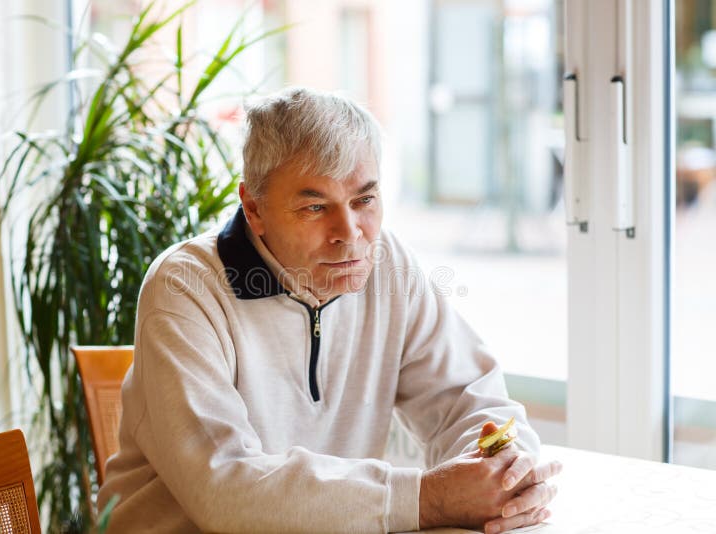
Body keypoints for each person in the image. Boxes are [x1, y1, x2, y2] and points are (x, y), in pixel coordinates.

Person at [98, 87, 562, 533]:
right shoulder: (185, 288)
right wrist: (427, 497)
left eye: (364, 200)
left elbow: (470, 399)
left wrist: (506, 472)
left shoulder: (387, 266)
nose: (351, 233)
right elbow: (224, 487)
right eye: (316, 207)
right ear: (253, 208)